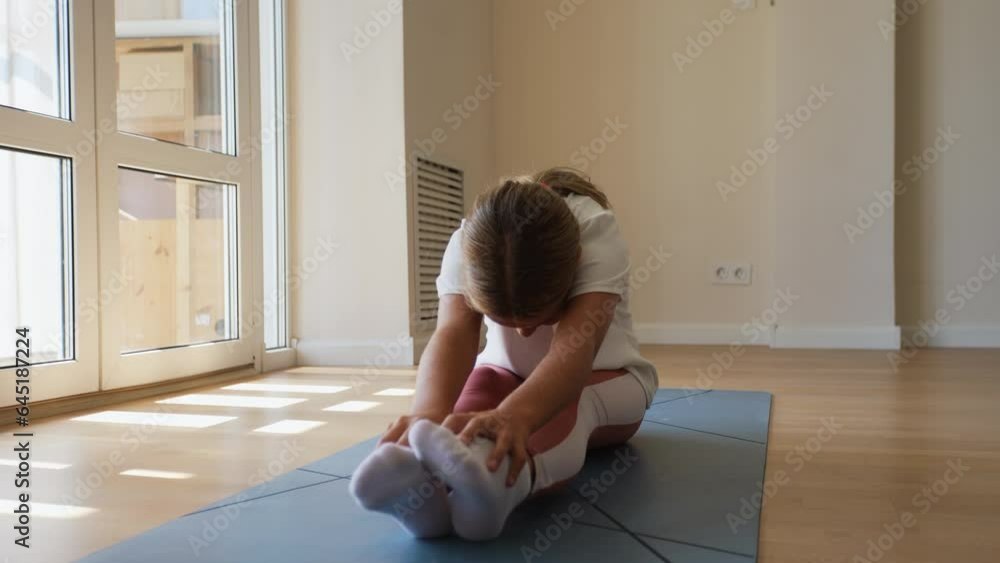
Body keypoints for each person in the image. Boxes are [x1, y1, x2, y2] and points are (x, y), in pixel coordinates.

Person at [349, 167, 659, 541]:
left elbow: (574, 353)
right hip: (505, 374)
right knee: (466, 406)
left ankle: (502, 487)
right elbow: (453, 333)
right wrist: (427, 416)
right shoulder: (469, 241)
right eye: (503, 321)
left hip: (609, 379)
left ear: (575, 261)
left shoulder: (596, 233)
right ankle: (422, 491)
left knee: (572, 402)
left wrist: (514, 415)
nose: (524, 332)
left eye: (538, 319)